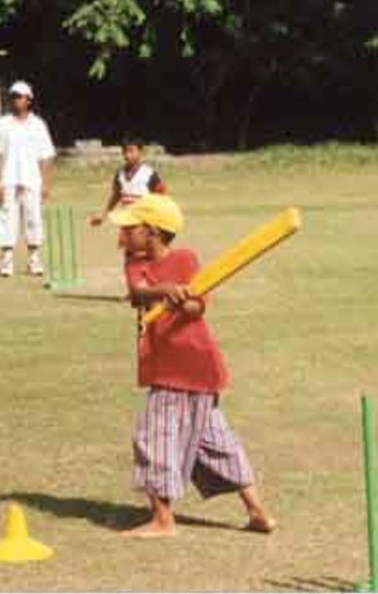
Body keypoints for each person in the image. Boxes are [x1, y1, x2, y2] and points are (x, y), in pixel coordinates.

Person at [109, 194, 277, 539]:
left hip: (186, 367)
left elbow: (199, 310)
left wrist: (187, 303)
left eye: (130, 227)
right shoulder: (134, 263)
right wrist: (165, 290)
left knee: (153, 437)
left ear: (152, 231)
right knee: (215, 442)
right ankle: (258, 512)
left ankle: (163, 520)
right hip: (169, 366)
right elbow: (138, 294)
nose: (123, 233)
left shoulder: (186, 259)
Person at [0, 80, 57, 277]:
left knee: (33, 218)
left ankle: (34, 259)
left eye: (20, 96)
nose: (16, 100)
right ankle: (7, 260)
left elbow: (46, 156)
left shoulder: (38, 125)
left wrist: (45, 184)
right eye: (13, 96)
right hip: (8, 179)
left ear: (29, 99)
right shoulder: (1, 124)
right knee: (7, 217)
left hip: (32, 179)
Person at [89, 137, 168, 227]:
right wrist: (103, 216)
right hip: (126, 223)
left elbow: (162, 197)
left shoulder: (149, 174)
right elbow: (116, 196)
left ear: (140, 152)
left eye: (131, 151)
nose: (127, 155)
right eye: (125, 151)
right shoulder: (120, 174)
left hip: (144, 224)